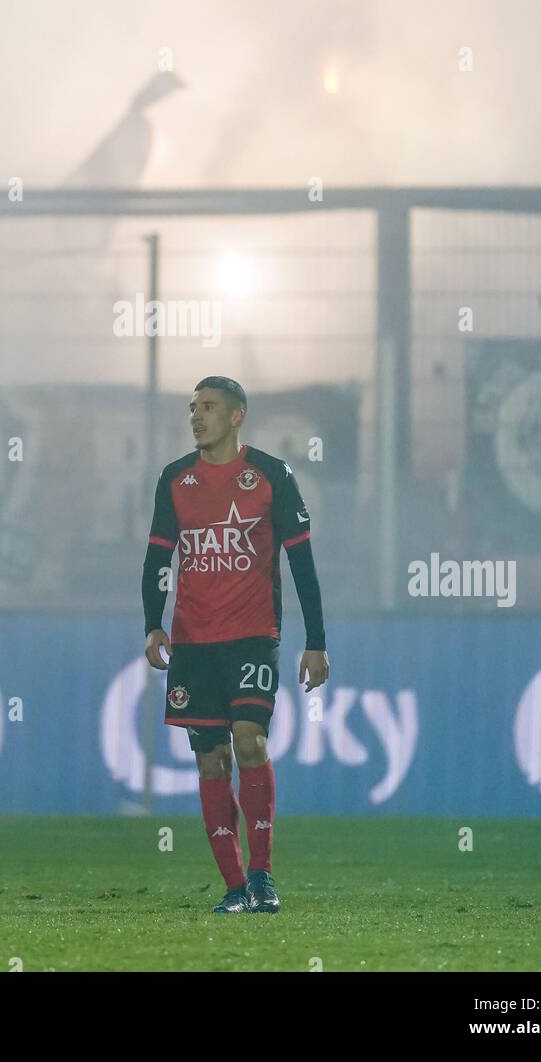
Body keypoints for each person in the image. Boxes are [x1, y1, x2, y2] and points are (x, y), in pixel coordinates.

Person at [141, 375, 330, 913]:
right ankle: (233, 888)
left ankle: (263, 874)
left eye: (208, 407)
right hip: (193, 642)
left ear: (236, 416)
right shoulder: (175, 480)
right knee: (210, 761)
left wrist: (316, 640)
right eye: (192, 406)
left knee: (249, 742)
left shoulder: (271, 475)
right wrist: (152, 623)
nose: (196, 416)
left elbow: (301, 561)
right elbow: (158, 557)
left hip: (252, 635)